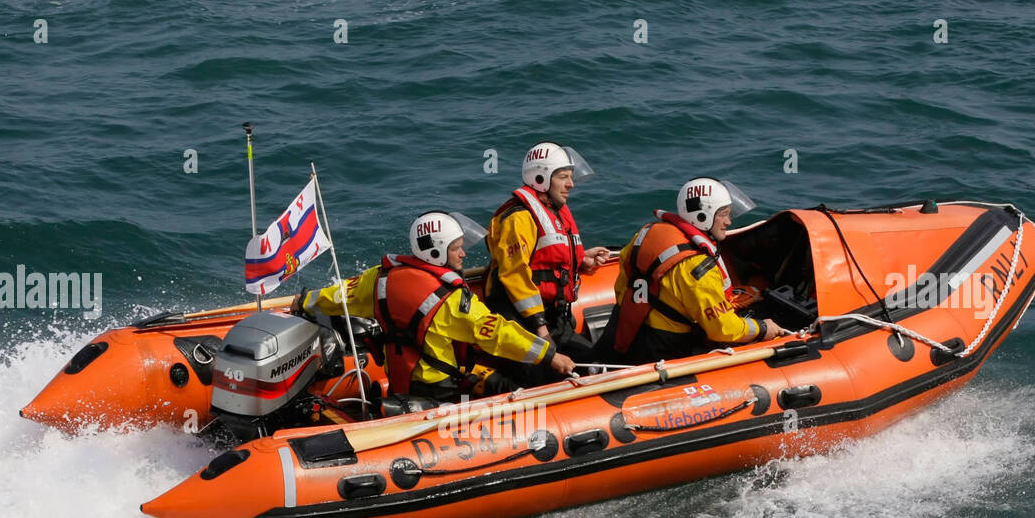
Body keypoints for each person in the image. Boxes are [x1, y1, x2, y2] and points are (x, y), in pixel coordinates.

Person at [297, 211, 575, 404]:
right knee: (510, 387)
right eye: (457, 248)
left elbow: (338, 296)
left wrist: (305, 301)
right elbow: (497, 334)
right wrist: (549, 356)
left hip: (401, 385)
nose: (464, 254)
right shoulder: (451, 300)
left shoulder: (378, 278)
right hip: (441, 391)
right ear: (436, 251)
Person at [596, 177, 786, 364]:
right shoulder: (698, 267)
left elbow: (622, 283)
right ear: (703, 216)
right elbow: (722, 328)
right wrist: (761, 327)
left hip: (620, 330)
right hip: (660, 349)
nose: (728, 221)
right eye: (723, 214)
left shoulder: (646, 232)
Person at [484, 142, 611, 384]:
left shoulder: (552, 209)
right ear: (541, 178)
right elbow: (515, 276)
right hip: (523, 324)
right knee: (544, 380)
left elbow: (547, 257)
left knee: (597, 363)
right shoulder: (519, 218)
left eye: (570, 177)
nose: (570, 184)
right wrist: (540, 328)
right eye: (563, 177)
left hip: (555, 320)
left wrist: (581, 260)